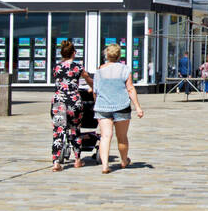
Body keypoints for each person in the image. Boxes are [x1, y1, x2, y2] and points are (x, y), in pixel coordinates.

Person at [92, 43, 144, 174]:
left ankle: (105, 166)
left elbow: (95, 90)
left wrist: (96, 103)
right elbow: (130, 88)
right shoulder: (125, 69)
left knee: (105, 136)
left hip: (103, 106)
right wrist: (138, 107)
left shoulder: (99, 70)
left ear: (107, 55)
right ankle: (123, 160)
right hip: (121, 106)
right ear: (119, 55)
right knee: (122, 137)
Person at [50, 40, 93, 171]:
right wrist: (92, 88)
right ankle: (77, 160)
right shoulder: (78, 67)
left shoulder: (56, 67)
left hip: (59, 103)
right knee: (75, 130)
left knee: (58, 131)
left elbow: (61, 80)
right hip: (74, 102)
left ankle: (56, 162)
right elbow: (88, 79)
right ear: (74, 53)